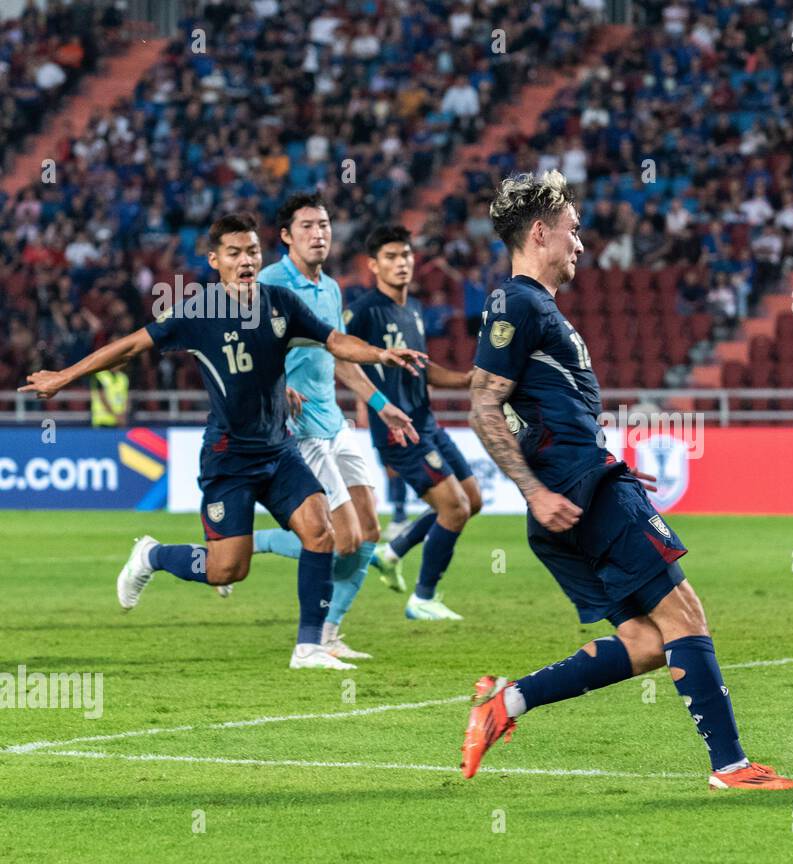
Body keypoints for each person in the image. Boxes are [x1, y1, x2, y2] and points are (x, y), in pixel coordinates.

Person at [458, 171, 793, 789]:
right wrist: (537, 490)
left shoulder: (532, 307)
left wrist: (586, 463)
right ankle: (730, 767)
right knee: (686, 616)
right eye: (571, 231)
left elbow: (528, 408)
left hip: (580, 486)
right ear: (539, 233)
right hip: (577, 494)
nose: (580, 246)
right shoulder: (516, 301)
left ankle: (505, 703)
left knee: (647, 641)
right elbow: (483, 402)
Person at [19, 213, 426, 670]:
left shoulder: (280, 303)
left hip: (279, 449)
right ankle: (151, 555)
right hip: (229, 457)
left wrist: (380, 354)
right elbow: (132, 346)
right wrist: (65, 376)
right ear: (215, 260)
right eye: (234, 253)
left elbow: (333, 341)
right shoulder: (198, 310)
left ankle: (308, 647)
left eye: (252, 251)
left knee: (321, 533)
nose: (246, 260)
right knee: (227, 568)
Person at [250, 194, 419, 658]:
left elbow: (338, 355)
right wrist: (274, 383)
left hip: (334, 422)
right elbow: (249, 353)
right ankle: (253, 542)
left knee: (368, 533)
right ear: (286, 236)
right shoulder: (267, 282)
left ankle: (328, 633)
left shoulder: (330, 288)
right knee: (339, 539)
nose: (319, 233)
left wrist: (381, 404)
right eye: (307, 226)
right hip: (298, 429)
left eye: (324, 224)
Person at [348, 224, 482, 619]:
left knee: (471, 501)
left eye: (405, 255)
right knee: (453, 509)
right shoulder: (363, 312)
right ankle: (423, 598)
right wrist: (371, 406)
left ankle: (393, 551)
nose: (400, 263)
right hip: (398, 431)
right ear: (373, 265)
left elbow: (421, 369)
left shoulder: (414, 310)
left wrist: (463, 380)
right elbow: (341, 356)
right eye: (390, 257)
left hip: (428, 424)